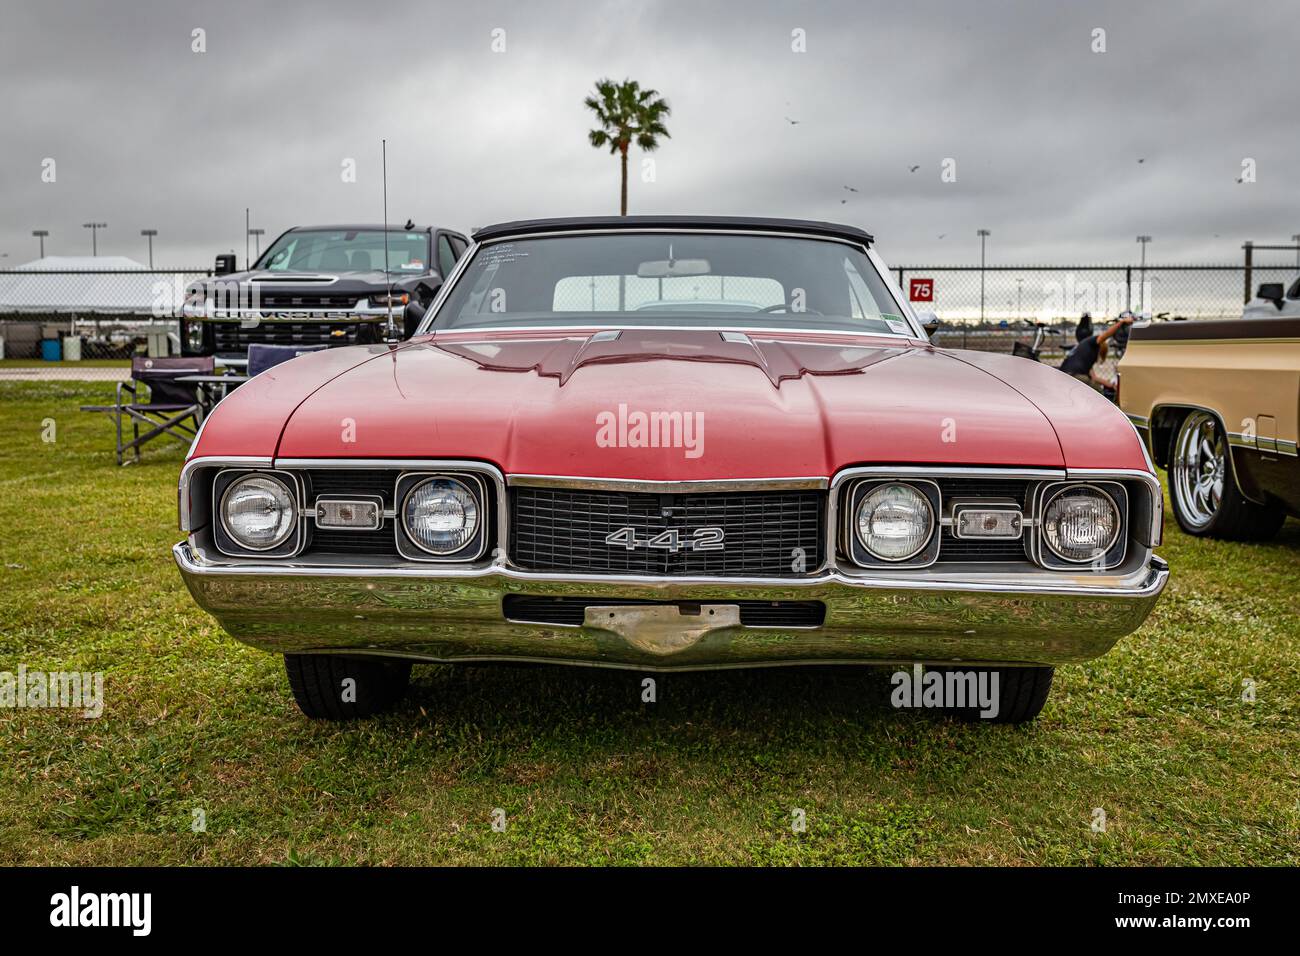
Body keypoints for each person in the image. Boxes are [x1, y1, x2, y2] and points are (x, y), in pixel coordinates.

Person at [1059, 311, 1135, 390]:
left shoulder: (1084, 353)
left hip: (1064, 375)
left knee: (1095, 385)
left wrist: (1111, 385)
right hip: (1074, 375)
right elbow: (1104, 336)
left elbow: (1094, 378)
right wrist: (1121, 322)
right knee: (1098, 391)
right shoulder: (1094, 342)